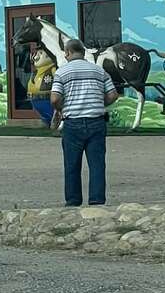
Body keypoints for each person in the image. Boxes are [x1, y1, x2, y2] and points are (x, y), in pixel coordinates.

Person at [50, 38, 119, 207]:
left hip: (73, 124)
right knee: (97, 165)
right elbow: (113, 95)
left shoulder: (62, 72)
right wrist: (97, 102)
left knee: (72, 165)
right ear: (82, 52)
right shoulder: (98, 71)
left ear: (67, 53)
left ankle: (73, 202)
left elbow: (54, 98)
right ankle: (97, 201)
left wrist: (60, 108)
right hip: (96, 122)